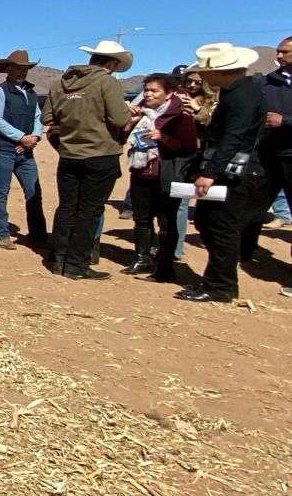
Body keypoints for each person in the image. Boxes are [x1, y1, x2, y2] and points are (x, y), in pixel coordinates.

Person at [181, 43, 269, 302]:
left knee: (222, 227)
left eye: (206, 72)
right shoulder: (238, 92)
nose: (203, 77)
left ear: (220, 71)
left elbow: (233, 138)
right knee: (209, 223)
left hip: (236, 172)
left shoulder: (242, 97)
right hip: (232, 169)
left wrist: (210, 172)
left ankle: (220, 286)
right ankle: (217, 281)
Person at [41, 39, 132, 279]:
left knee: (68, 207)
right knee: (89, 210)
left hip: (69, 154)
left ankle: (58, 259)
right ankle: (76, 264)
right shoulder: (107, 82)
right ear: (111, 63)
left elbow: (47, 117)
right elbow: (120, 119)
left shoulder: (60, 83)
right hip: (100, 155)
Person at [0, 49, 48, 248]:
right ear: (8, 69)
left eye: (25, 69)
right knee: (1, 192)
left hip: (26, 152)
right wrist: (21, 137)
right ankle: (1, 233)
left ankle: (38, 235)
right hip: (4, 150)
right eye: (18, 68)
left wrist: (35, 136)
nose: (22, 72)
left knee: (33, 191)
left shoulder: (31, 92)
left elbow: (38, 117)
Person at [119, 74, 180, 274]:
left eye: (154, 90)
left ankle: (165, 263)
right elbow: (122, 138)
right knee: (141, 218)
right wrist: (130, 122)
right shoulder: (141, 114)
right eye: (146, 90)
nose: (148, 94)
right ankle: (141, 257)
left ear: (169, 93)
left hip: (167, 173)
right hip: (141, 171)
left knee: (166, 221)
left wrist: (164, 137)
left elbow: (189, 144)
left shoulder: (179, 114)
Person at [238, 36, 292, 259]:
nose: (278, 55)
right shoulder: (268, 82)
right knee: (254, 206)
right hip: (267, 153)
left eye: (285, 51)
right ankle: (245, 251)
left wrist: (286, 121)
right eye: (278, 51)